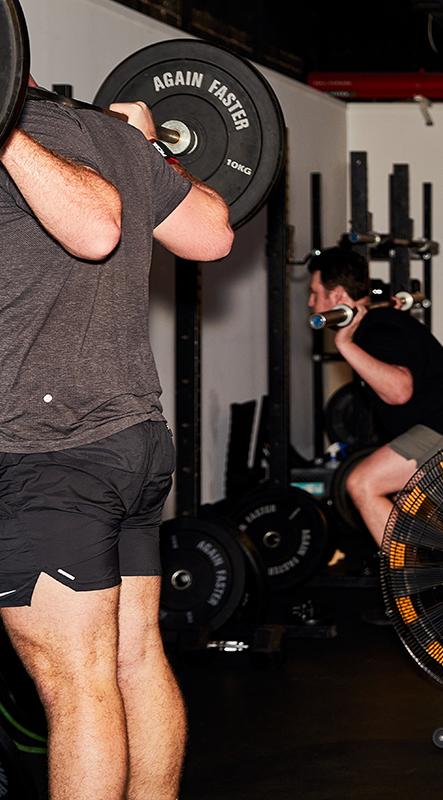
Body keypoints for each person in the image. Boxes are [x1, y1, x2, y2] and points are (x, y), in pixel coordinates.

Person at [0, 83, 233, 799]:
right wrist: (150, 145)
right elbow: (212, 232)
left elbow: (97, 227)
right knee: (131, 659)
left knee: (76, 686)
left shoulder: (24, 137)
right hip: (129, 442)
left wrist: (3, 132)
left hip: (49, 453)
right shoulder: (112, 132)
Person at [306, 247, 443, 549]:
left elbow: (399, 390)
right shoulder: (381, 321)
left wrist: (344, 344)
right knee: (404, 501)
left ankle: (410, 585)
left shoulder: (375, 327)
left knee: (362, 483)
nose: (311, 302)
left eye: (315, 292)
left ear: (337, 295)